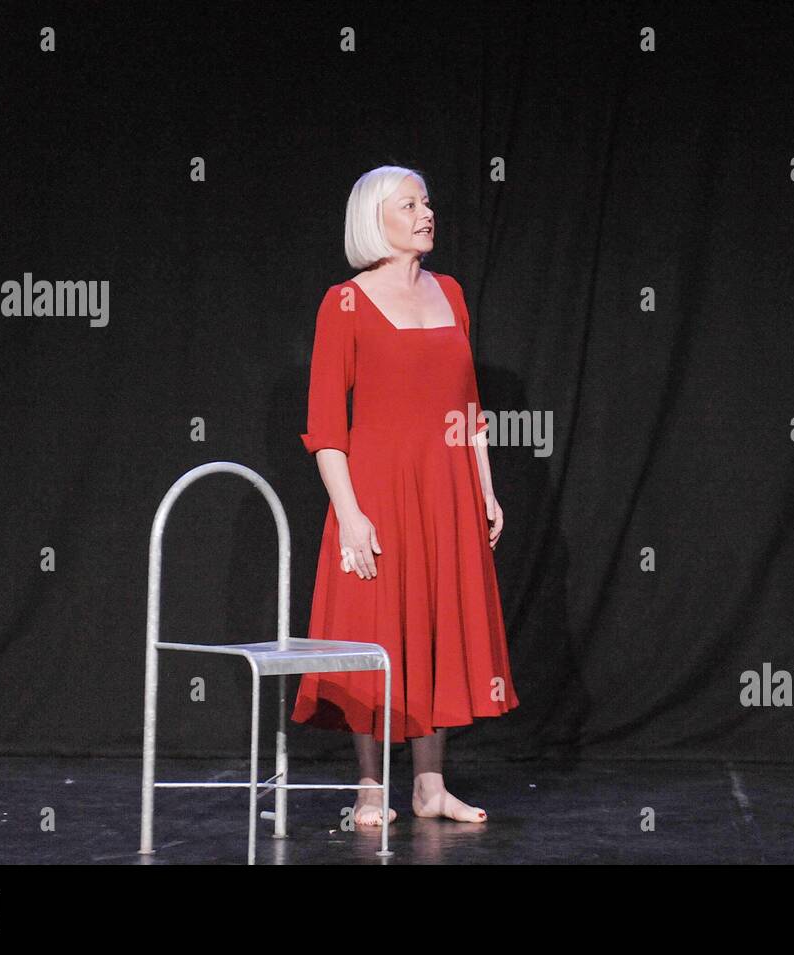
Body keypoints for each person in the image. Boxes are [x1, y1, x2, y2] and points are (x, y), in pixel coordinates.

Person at [291, 165, 520, 825]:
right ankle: (369, 788)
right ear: (375, 221)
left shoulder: (450, 292)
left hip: (445, 489)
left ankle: (429, 786)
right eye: (409, 204)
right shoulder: (346, 301)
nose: (426, 213)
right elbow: (327, 426)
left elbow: (467, 405)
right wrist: (351, 512)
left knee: (437, 622)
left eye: (427, 201)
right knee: (372, 627)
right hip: (378, 491)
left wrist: (485, 487)